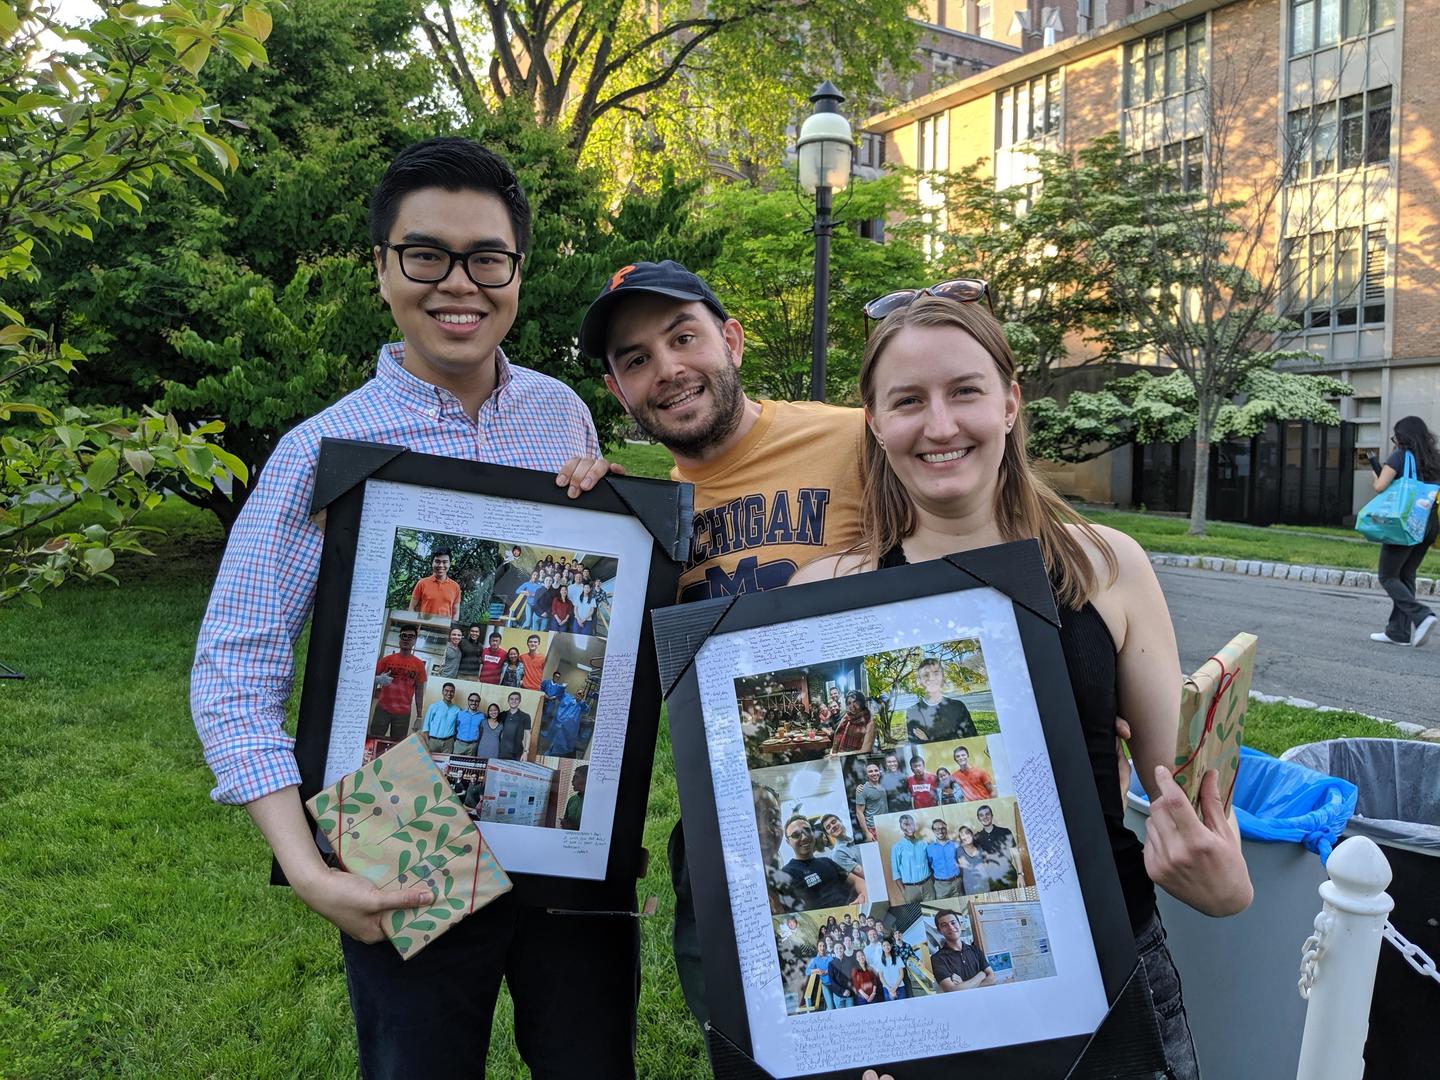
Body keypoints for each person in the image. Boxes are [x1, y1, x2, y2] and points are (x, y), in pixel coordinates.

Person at [190, 137, 638, 1078]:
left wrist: (616, 511)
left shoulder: (560, 413)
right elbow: (234, 673)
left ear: (517, 270)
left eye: (487, 258)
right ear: (384, 270)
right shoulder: (323, 450)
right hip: (396, 815)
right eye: (425, 255)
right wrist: (310, 872)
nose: (458, 284)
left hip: (570, 811)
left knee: (589, 1061)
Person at [790, 291, 1253, 1079]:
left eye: (965, 391)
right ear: (873, 422)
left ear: (1009, 402)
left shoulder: (1108, 566)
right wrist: (854, 1032)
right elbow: (812, 809)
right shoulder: (827, 593)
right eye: (908, 402)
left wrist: (1221, 878)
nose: (940, 426)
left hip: (1109, 976)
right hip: (921, 997)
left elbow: (1184, 796)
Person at [1368, 415, 1440, 646]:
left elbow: (1380, 487)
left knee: (1388, 575)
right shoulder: (1435, 459)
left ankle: (1422, 615)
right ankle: (1398, 632)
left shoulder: (1400, 457)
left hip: (1405, 524)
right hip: (1429, 524)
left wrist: (1376, 473)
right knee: (1406, 574)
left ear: (1402, 437)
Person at [776, 814, 865, 911]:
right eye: (796, 835)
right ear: (788, 842)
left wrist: (863, 895)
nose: (804, 837)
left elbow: (857, 881)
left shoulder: (827, 862)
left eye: (807, 830)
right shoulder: (785, 875)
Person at [370, 627, 427, 739]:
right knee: (373, 740)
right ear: (399, 639)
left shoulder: (419, 664)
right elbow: (368, 679)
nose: (406, 639)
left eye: (410, 636)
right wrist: (376, 678)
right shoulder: (387, 660)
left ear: (415, 641)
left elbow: (419, 691)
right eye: (404, 635)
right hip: (383, 709)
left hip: (403, 713)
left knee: (396, 745)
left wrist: (419, 717)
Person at [904, 658, 976, 742]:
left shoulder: (958, 707)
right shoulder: (913, 712)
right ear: (919, 681)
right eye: (926, 675)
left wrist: (927, 741)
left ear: (943, 677)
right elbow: (917, 747)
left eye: (936, 673)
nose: (931, 678)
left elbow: (972, 739)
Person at [931, 910, 995, 992]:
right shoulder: (937, 959)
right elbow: (951, 990)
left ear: (959, 924)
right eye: (944, 925)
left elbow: (992, 978)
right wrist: (981, 975)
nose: (950, 927)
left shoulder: (975, 950)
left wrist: (964, 986)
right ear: (940, 930)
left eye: (953, 923)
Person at [888, 814, 933, 903]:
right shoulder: (897, 847)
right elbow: (895, 872)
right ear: (901, 827)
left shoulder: (924, 843)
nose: (909, 827)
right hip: (910, 890)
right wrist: (904, 892)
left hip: (928, 886)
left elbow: (931, 863)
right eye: (905, 824)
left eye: (911, 824)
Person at [410, 550, 461, 619]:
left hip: (444, 627)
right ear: (432, 563)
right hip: (423, 624)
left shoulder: (455, 587)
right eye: (437, 561)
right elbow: (412, 607)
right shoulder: (422, 583)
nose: (441, 565)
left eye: (445, 562)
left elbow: (456, 612)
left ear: (449, 564)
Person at [539, 687, 583, 757]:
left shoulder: (581, 705)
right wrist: (562, 688)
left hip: (568, 727)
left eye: (581, 694)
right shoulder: (568, 697)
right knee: (554, 738)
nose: (579, 695)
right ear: (575, 693)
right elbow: (559, 695)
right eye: (579, 693)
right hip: (559, 722)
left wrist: (581, 702)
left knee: (561, 742)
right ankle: (550, 751)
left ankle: (553, 752)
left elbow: (586, 709)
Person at [926, 818, 963, 899]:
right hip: (940, 886)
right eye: (937, 829)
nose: (940, 831)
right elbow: (929, 866)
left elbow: (961, 862)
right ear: (933, 831)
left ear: (946, 829)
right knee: (944, 909)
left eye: (943, 828)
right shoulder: (929, 848)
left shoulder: (955, 845)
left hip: (956, 883)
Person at [830, 691, 875, 756]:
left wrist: (839, 755)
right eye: (849, 703)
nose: (852, 706)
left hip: (859, 761)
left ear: (862, 702)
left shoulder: (869, 721)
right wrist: (833, 752)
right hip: (842, 758)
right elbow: (838, 736)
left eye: (855, 702)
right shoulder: (847, 717)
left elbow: (866, 750)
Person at [853, 762, 889, 840]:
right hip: (873, 828)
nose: (874, 773)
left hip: (885, 825)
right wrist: (867, 832)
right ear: (866, 774)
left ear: (880, 772)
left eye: (876, 770)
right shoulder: (862, 789)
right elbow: (859, 813)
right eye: (870, 771)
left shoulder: (882, 787)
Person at [421, 682, 460, 753]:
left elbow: (458, 727)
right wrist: (427, 743)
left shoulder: (457, 710)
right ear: (442, 692)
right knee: (429, 762)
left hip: (449, 743)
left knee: (446, 764)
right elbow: (426, 726)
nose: (449, 693)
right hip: (433, 741)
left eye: (451, 691)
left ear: (454, 693)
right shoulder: (433, 706)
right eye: (446, 691)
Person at [498, 691, 532, 760]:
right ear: (508, 701)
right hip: (502, 752)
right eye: (511, 699)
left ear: (519, 701)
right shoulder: (502, 715)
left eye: (516, 699)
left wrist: (525, 752)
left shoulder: (525, 716)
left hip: (517, 753)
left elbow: (527, 735)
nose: (514, 701)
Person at [806, 940, 835, 1010]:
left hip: (834, 984)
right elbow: (807, 971)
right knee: (831, 1007)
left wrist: (827, 971)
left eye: (824, 946)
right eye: (820, 946)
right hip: (825, 985)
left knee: (837, 1005)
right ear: (817, 948)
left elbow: (835, 969)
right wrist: (816, 970)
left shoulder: (830, 958)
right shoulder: (815, 960)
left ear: (826, 947)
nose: (822, 948)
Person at [453, 693, 484, 757]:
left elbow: (481, 731)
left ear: (479, 703)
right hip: (459, 744)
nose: (474, 702)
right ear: (468, 701)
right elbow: (455, 727)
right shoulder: (460, 714)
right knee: (455, 764)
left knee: (469, 765)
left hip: (472, 746)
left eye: (476, 701)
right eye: (471, 700)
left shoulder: (482, 716)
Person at [829, 941, 858, 1010]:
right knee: (841, 1017)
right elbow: (831, 980)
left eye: (840, 948)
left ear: (844, 949)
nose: (839, 950)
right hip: (837, 995)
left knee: (851, 1014)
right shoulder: (831, 964)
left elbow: (853, 977)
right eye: (836, 948)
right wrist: (842, 991)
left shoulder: (850, 961)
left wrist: (849, 990)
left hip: (849, 994)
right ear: (834, 950)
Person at [562, 765, 587, 830]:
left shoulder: (595, 803)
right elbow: (566, 818)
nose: (572, 781)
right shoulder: (572, 799)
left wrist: (573, 828)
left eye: (576, 777)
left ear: (586, 779)